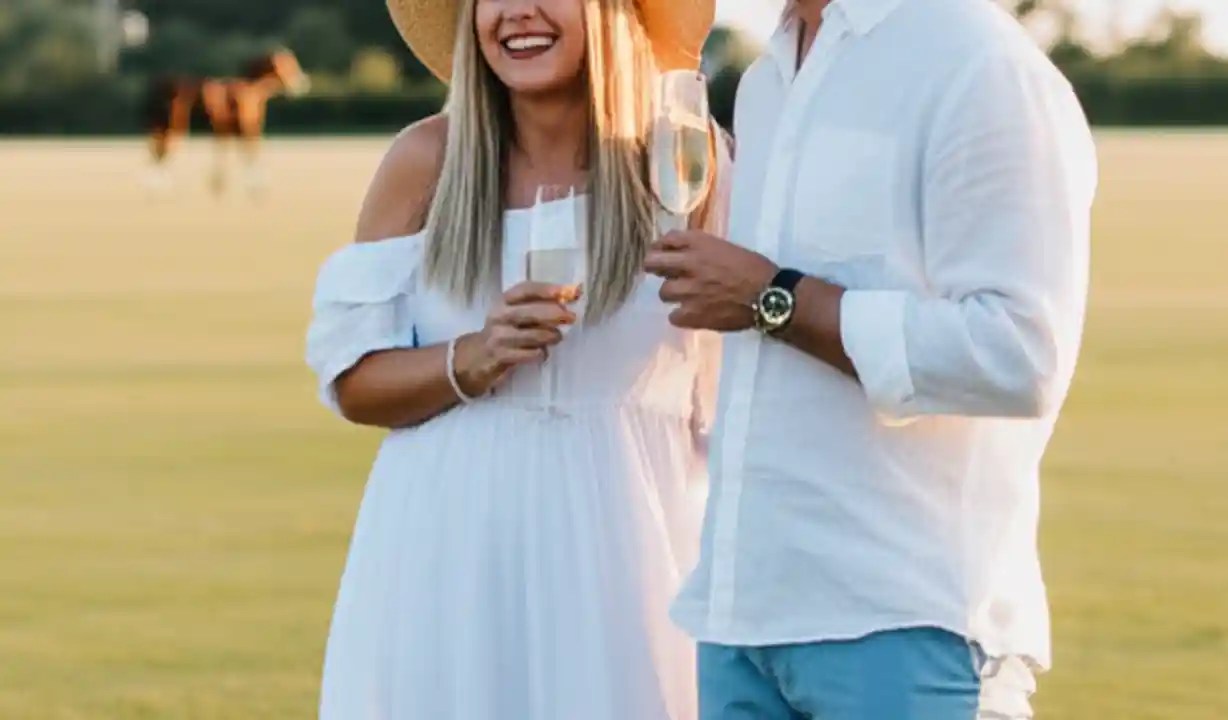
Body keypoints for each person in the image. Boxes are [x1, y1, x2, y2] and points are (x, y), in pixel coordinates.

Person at [646, 0, 1097, 717]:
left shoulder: (979, 62)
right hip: (739, 617)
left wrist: (775, 298)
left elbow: (1019, 351)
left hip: (903, 625)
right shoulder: (765, 81)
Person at [304, 0, 726, 717]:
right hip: (451, 556)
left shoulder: (685, 159)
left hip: (630, 551)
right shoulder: (426, 161)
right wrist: (472, 358)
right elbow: (353, 381)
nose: (517, 12)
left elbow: (732, 388)